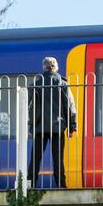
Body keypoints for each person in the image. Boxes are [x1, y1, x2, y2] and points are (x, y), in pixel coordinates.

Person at [28, 56, 77, 188]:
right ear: (56, 68)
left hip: (39, 128)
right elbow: (70, 106)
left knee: (35, 158)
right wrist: (72, 126)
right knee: (58, 158)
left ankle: (30, 185)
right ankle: (61, 185)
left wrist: (31, 125)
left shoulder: (36, 84)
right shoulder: (62, 84)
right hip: (58, 127)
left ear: (44, 67)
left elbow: (29, 106)